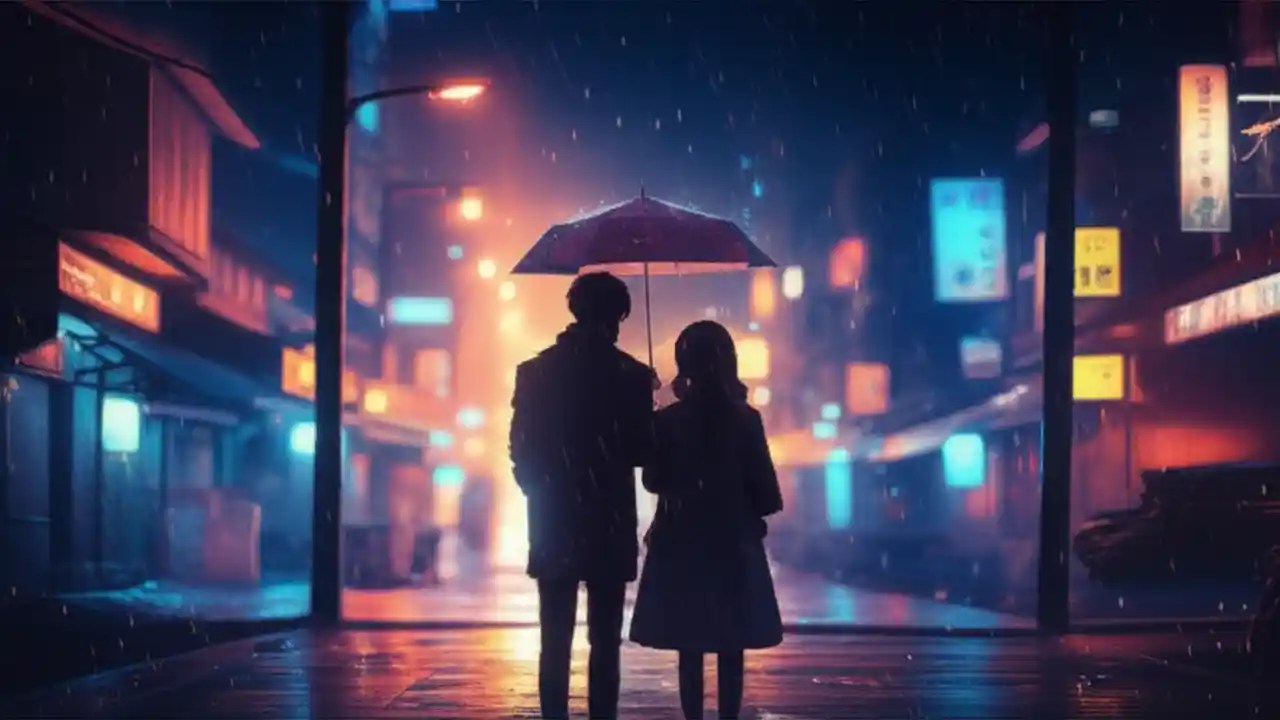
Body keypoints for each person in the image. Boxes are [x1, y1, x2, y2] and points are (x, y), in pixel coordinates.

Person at [508, 271, 656, 720]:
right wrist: (651, 405)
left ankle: (554, 714)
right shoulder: (630, 375)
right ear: (618, 317)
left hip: (553, 517)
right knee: (605, 640)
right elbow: (641, 454)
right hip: (608, 518)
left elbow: (520, 446)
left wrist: (541, 488)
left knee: (554, 636)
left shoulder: (535, 372)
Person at [629, 320, 783, 720]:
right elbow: (766, 493)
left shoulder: (668, 421)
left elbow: (653, 481)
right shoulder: (745, 419)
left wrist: (653, 425)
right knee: (732, 643)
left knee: (689, 643)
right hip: (732, 542)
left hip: (681, 542)